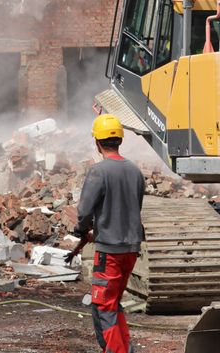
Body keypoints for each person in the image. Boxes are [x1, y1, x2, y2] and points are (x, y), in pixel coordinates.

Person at [67, 114, 145, 353]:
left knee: (103, 306)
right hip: (130, 250)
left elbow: (84, 211)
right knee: (112, 304)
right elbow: (135, 207)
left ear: (97, 142)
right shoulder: (134, 171)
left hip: (109, 253)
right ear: (119, 140)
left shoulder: (98, 172)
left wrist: (81, 230)